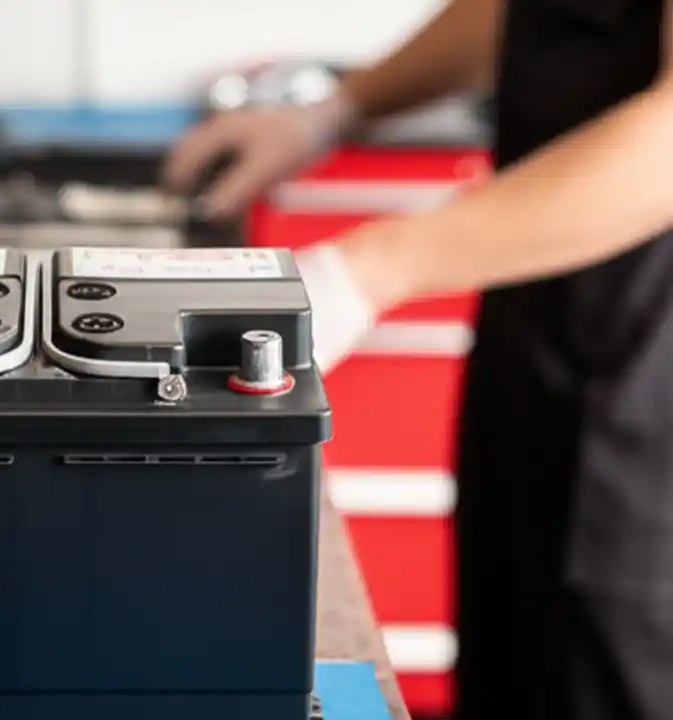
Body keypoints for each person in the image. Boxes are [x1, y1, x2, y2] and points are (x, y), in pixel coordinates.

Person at [165, 1, 673, 718]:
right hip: (537, 337)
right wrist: (331, 111)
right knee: (511, 662)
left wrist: (363, 271)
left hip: (650, 386)